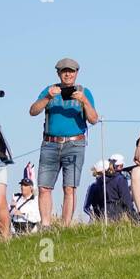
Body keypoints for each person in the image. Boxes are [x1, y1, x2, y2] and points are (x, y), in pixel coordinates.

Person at [29, 57, 99, 228]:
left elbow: (94, 119)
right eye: (64, 71)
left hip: (75, 144)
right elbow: (33, 111)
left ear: (76, 73)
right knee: (44, 187)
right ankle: (46, 226)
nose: (68, 74)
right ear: (58, 73)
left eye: (71, 71)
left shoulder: (84, 92)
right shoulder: (49, 90)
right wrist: (47, 97)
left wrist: (84, 101)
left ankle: (66, 226)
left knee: (70, 187)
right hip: (50, 144)